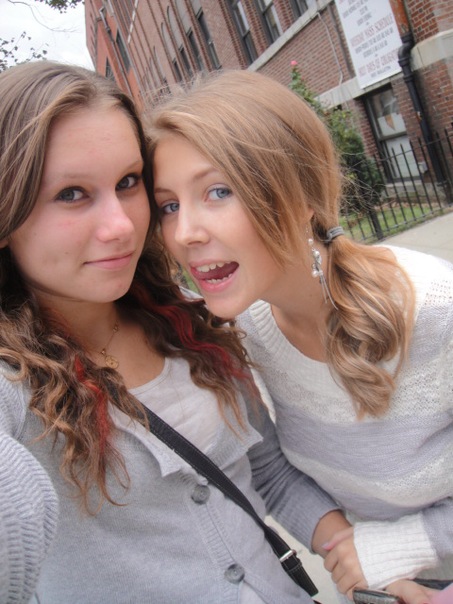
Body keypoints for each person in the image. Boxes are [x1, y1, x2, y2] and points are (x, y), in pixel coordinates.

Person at [0, 59, 359, 604]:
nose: (122, 225)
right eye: (71, 193)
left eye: (128, 183)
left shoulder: (192, 323)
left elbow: (265, 470)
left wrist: (353, 552)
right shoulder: (14, 381)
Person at [148, 69, 453, 604]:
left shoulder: (434, 308)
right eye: (169, 205)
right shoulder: (244, 332)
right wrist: (354, 558)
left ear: (302, 195)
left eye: (218, 191)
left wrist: (397, 547)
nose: (184, 233)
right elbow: (271, 470)